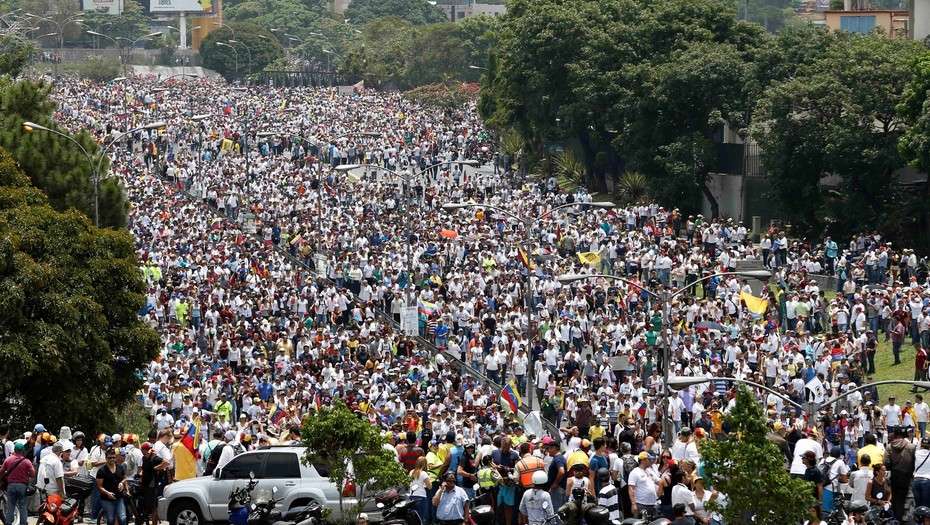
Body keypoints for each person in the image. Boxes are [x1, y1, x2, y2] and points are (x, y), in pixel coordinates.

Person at [884, 427, 915, 521]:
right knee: (908, 498)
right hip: (907, 477)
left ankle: (897, 519)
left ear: (895, 434)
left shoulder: (889, 447)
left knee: (896, 499)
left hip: (895, 477)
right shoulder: (911, 447)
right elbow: (914, 462)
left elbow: (886, 462)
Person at [1, 440, 35, 525]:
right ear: (23, 451)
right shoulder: (26, 461)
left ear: (14, 450)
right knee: (22, 506)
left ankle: (8, 523)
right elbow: (33, 474)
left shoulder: (8, 460)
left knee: (10, 506)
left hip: (11, 486)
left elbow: (1, 472)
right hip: (22, 487)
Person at [96, 448, 128, 525]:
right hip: (106, 499)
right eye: (110, 458)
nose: (112, 459)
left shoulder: (120, 467)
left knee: (122, 518)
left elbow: (125, 478)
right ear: (106, 458)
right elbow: (99, 487)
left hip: (119, 497)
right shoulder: (101, 471)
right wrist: (108, 493)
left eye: (113, 457)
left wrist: (122, 483)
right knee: (110, 519)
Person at [628, 452, 659, 518]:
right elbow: (631, 489)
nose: (651, 461)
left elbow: (658, 481)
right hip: (641, 505)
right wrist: (633, 504)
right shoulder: (635, 472)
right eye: (649, 459)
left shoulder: (649, 471)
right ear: (643, 460)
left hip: (653, 504)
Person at [139, 442, 163, 525]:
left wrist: (156, 468)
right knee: (146, 506)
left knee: (153, 507)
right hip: (145, 485)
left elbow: (166, 463)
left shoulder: (155, 458)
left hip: (152, 486)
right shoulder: (144, 458)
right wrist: (141, 473)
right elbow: (144, 469)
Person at [820, 446, 849, 513]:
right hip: (831, 488)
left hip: (820, 486)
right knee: (829, 512)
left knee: (822, 510)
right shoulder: (840, 462)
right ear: (839, 455)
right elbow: (844, 479)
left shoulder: (823, 460)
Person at [409, 456, 431, 524]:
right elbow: (429, 486)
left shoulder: (411, 472)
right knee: (421, 517)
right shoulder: (424, 473)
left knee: (413, 518)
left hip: (411, 496)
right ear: (424, 464)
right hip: (421, 497)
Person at [914, 437, 930, 509]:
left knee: (917, 506)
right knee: (926, 507)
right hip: (927, 481)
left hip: (915, 480)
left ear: (921, 444)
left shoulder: (915, 453)